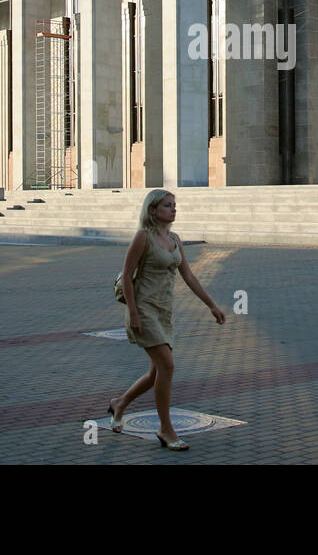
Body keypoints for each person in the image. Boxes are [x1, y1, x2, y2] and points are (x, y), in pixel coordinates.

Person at [108, 189, 226, 451]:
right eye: (167, 205)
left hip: (164, 312)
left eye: (174, 205)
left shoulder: (174, 239)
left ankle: (121, 403)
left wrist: (212, 305)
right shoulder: (143, 237)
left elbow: (189, 277)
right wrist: (134, 313)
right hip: (144, 310)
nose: (173, 209)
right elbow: (126, 276)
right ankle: (165, 428)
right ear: (153, 210)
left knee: (155, 373)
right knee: (168, 366)